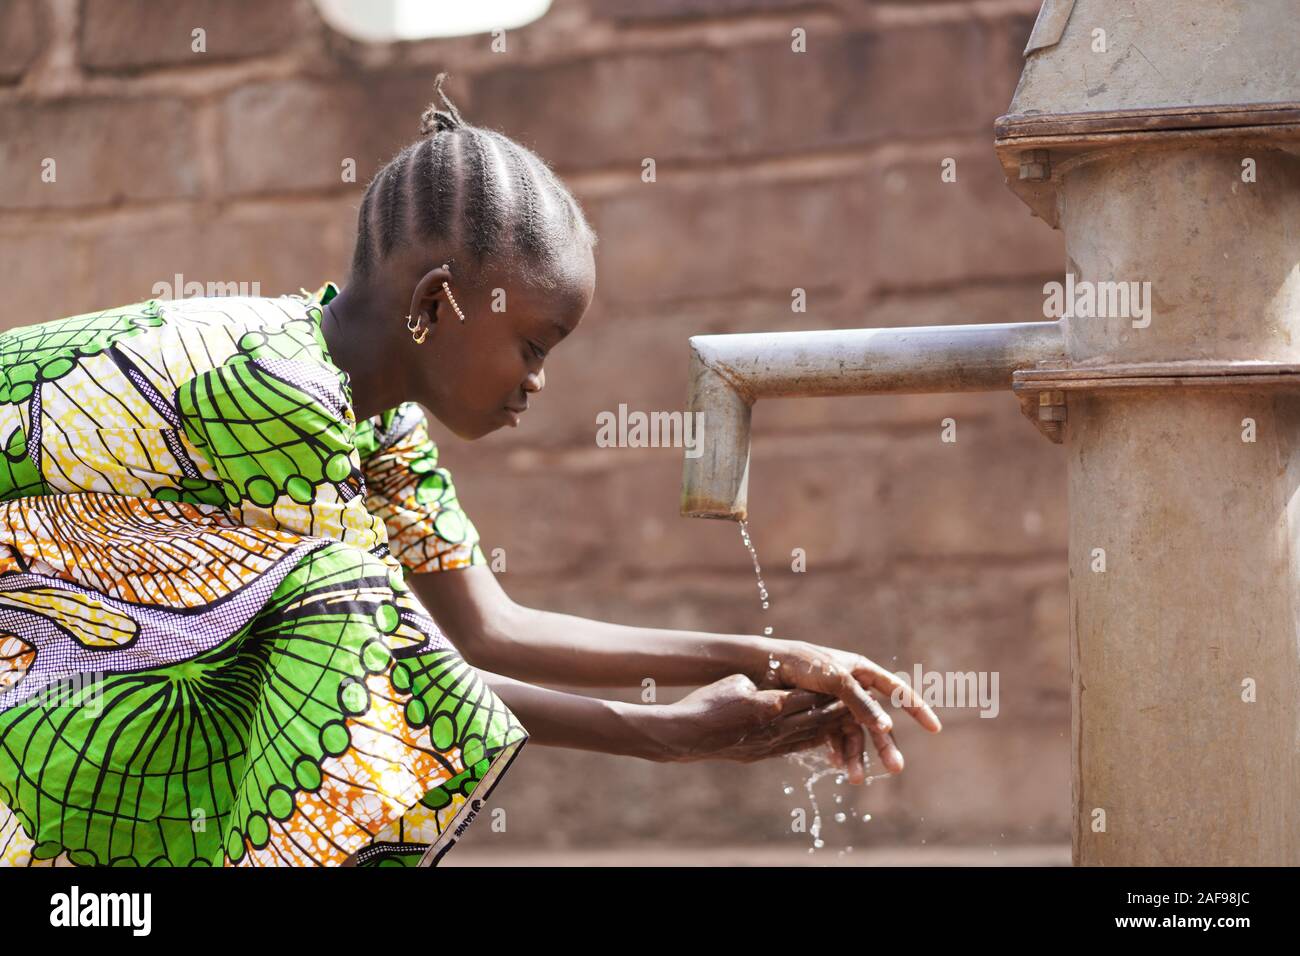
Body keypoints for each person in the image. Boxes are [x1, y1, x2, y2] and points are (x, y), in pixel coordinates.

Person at [0, 74, 939, 868]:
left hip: (47, 649)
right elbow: (380, 657)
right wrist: (665, 735)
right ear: (437, 302)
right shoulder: (276, 385)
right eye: (533, 345)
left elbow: (491, 627)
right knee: (318, 638)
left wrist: (770, 657)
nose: (539, 382)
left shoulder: (377, 423)